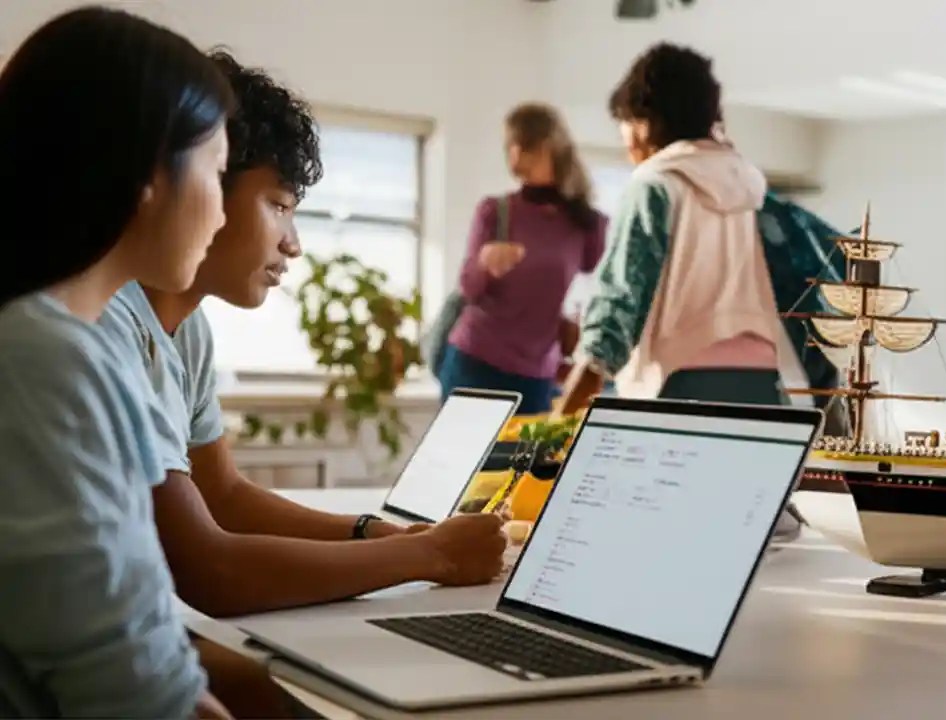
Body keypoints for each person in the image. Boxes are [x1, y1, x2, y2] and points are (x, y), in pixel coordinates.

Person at [94, 48, 508, 636]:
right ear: (196, 181)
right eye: (279, 206)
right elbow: (211, 568)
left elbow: (226, 497)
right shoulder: (105, 323)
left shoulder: (187, 332)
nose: (293, 243)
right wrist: (430, 557)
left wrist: (384, 536)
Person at [0, 8, 234, 718]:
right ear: (147, 172)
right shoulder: (44, 358)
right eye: (217, 172)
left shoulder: (52, 338)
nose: (220, 215)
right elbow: (135, 697)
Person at [559, 43, 785, 413]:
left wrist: (562, 413)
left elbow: (619, 299)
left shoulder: (655, 184)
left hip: (678, 382)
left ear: (643, 122)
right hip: (762, 382)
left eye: (626, 126)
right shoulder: (754, 187)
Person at [438, 103, 607, 415]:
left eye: (526, 146)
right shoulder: (495, 212)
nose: (515, 155)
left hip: (537, 377)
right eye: (511, 146)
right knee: (471, 464)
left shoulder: (584, 224)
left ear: (552, 147)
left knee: (530, 465)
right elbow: (468, 288)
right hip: (477, 365)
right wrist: (485, 263)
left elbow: (600, 268)